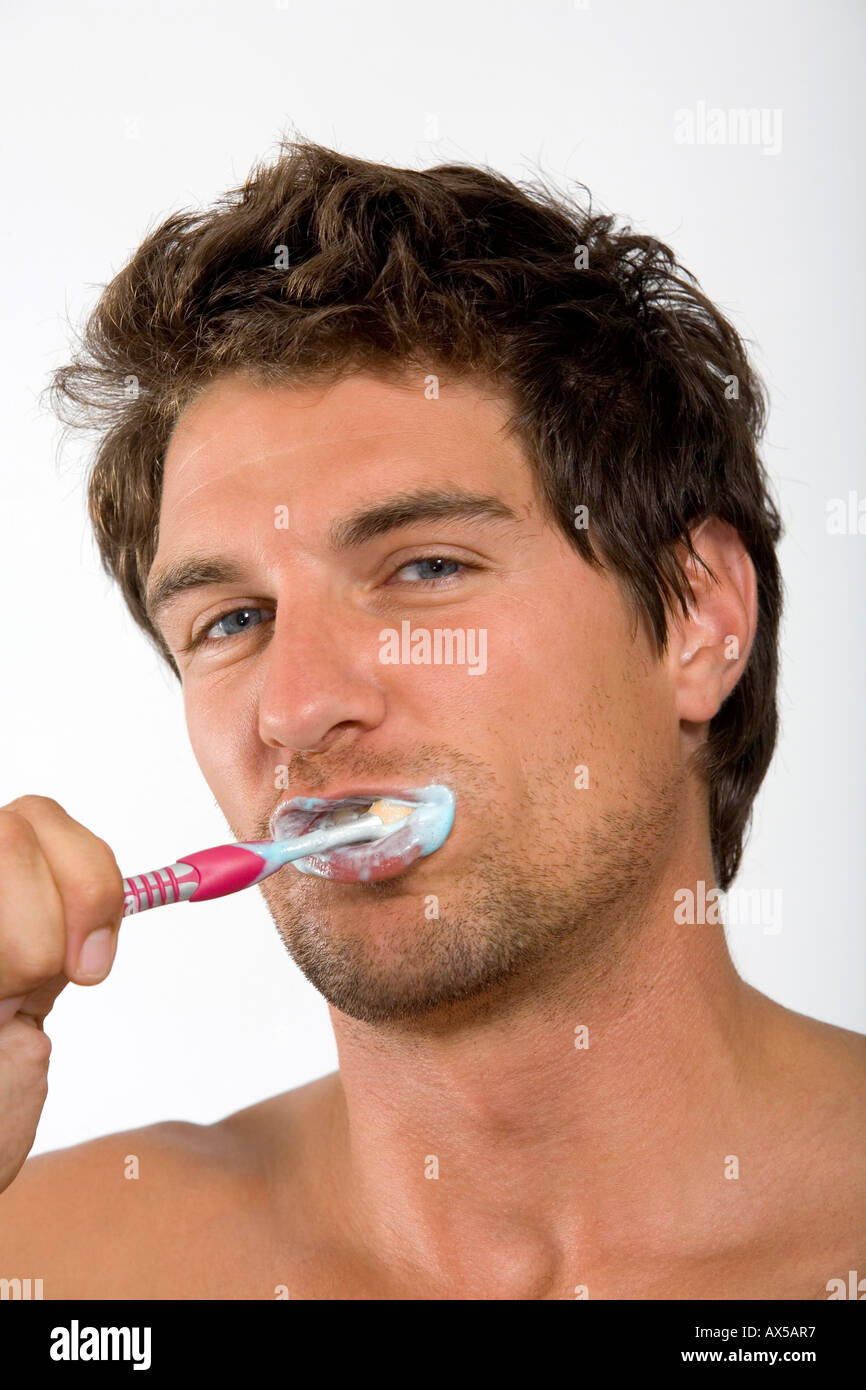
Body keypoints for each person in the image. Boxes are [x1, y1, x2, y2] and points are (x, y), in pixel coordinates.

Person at [1, 139, 863, 1300]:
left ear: (697, 618)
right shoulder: (54, 1267)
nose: (298, 708)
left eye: (423, 570)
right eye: (232, 619)